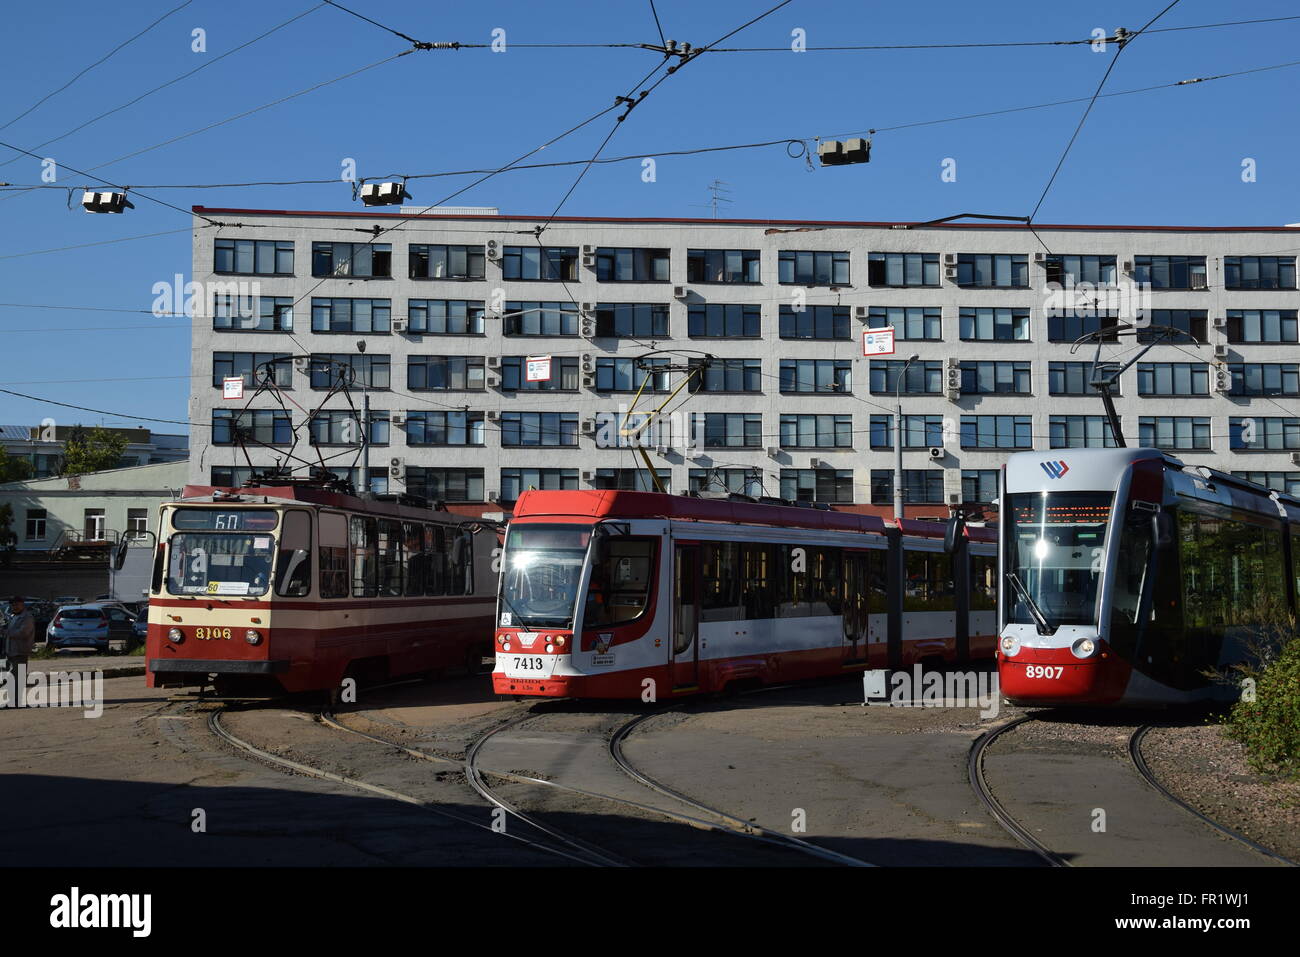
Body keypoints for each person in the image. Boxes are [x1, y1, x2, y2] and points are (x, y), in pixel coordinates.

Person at [4, 596, 35, 675]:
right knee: (11, 679)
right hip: (10, 652)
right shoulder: (12, 616)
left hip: (20, 652)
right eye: (13, 605)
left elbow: (23, 633)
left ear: (22, 605)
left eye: (17, 605)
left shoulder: (27, 617)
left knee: (18, 679)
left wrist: (6, 632)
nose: (15, 607)